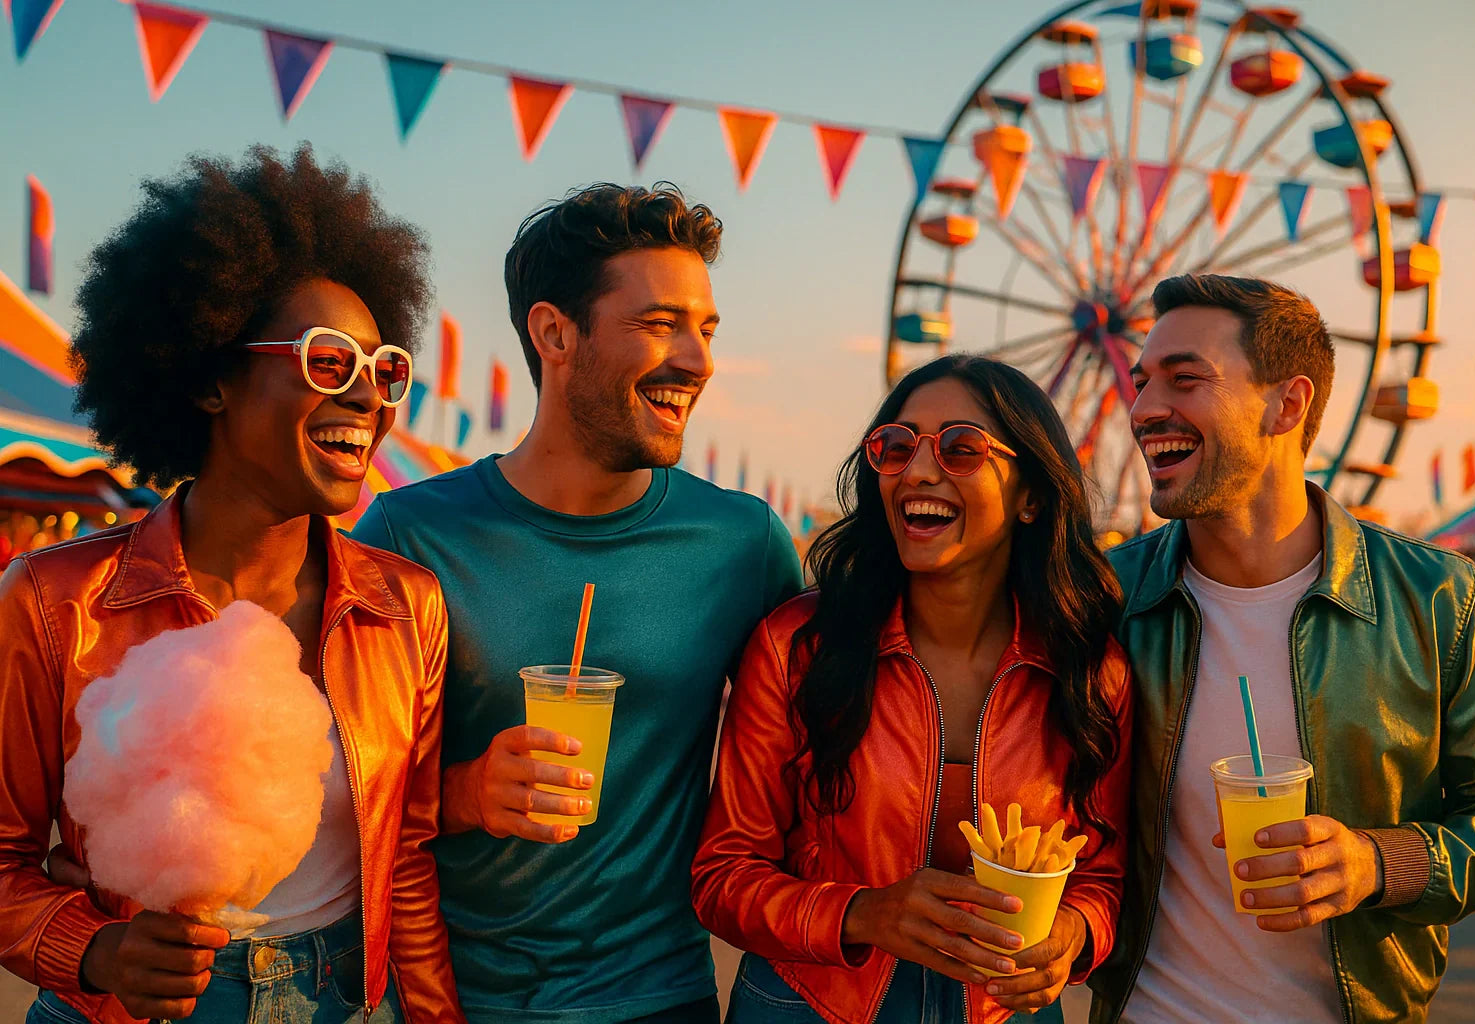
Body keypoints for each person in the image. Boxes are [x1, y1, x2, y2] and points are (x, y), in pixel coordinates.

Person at [0, 146, 464, 1024]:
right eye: (331, 362)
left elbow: (405, 860)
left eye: (386, 370)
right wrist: (96, 950)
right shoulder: (55, 602)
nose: (370, 398)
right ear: (213, 377)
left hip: (340, 1000)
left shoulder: (407, 608)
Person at [349, 182, 803, 1022]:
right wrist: (466, 793)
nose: (698, 361)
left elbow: (834, 745)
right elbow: (334, 787)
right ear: (555, 333)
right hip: (453, 1002)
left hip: (663, 998)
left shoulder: (743, 543)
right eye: (660, 324)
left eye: (705, 330)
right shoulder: (407, 536)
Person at [1091, 274, 1475, 1024]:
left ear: (1287, 404)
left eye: (1184, 379)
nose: (1142, 410)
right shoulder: (1104, 600)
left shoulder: (1438, 601)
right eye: (1140, 384)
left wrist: (1374, 863)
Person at [693, 354, 1133, 1023]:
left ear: (1033, 496)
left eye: (960, 449)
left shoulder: (1089, 670)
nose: (918, 470)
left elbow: (1102, 878)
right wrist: (862, 914)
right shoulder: (798, 647)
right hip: (810, 1003)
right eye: (895, 447)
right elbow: (723, 874)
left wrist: (1072, 937)